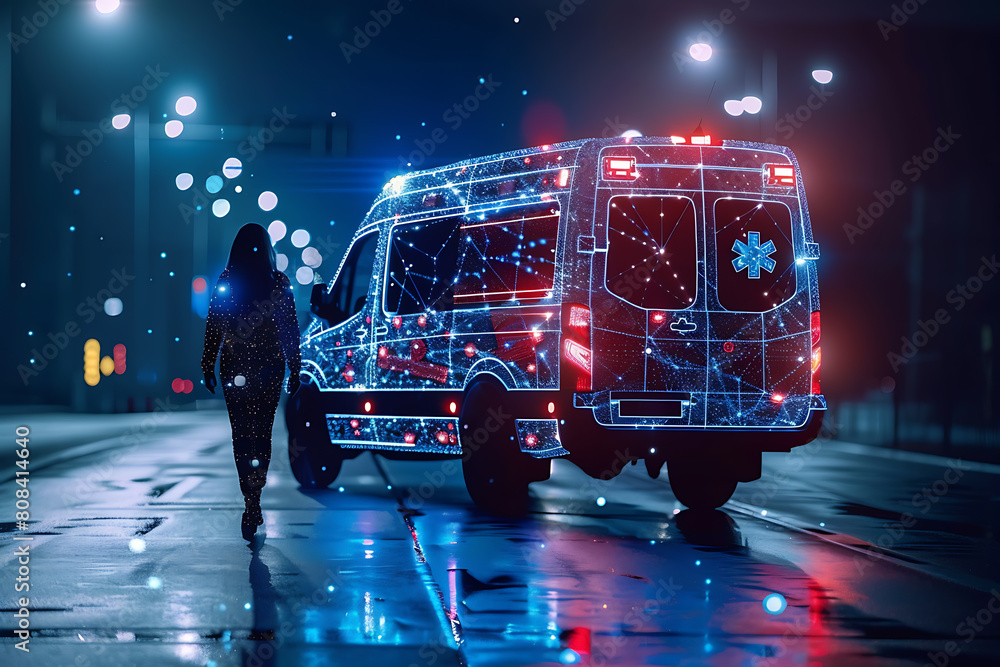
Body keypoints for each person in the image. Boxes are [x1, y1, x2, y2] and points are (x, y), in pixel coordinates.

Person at [201, 223, 301, 542]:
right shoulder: (279, 284)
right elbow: (289, 329)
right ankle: (256, 496)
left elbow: (214, 325)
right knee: (262, 434)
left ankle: (249, 499)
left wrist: (207, 364)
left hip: (235, 369)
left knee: (242, 436)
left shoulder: (227, 283)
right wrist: (295, 368)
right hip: (271, 369)